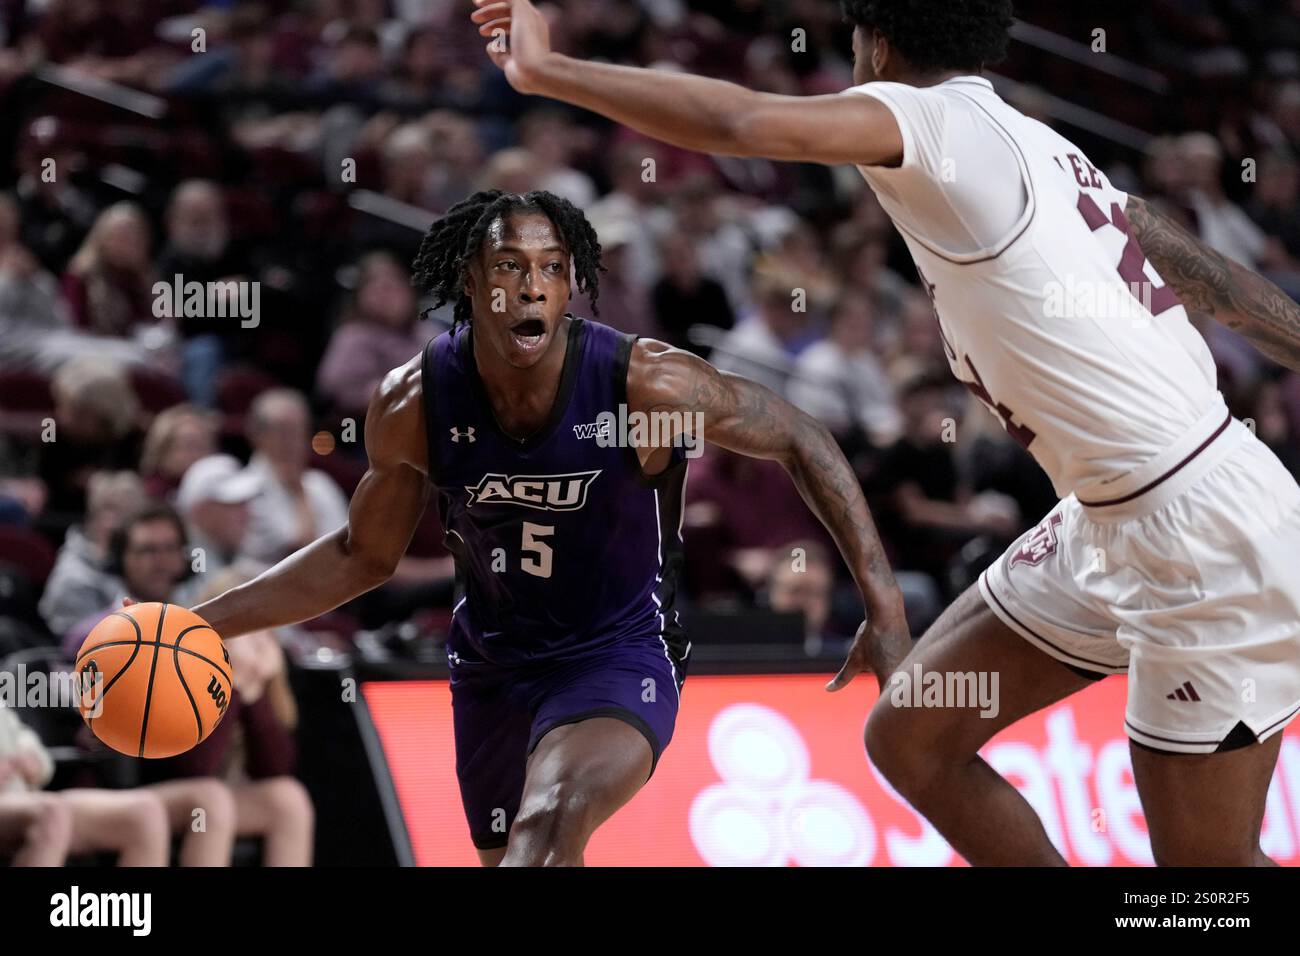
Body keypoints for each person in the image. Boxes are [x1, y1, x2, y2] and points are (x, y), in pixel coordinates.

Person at [474, 0, 1300, 866]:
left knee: (1207, 884)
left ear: (878, 43)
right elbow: (1206, 275)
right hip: (1111, 516)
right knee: (912, 737)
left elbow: (742, 118)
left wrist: (548, 71)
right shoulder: (1041, 144)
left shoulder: (929, 117)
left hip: (1199, 532)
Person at [188, 188, 905, 866]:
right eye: (509, 267)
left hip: (617, 653)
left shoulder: (644, 384)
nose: (531, 286)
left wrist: (884, 604)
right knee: (520, 856)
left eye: (551, 269)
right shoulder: (415, 400)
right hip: (492, 667)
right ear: (470, 282)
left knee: (550, 821)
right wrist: (200, 623)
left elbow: (801, 437)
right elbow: (360, 555)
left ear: (570, 286)